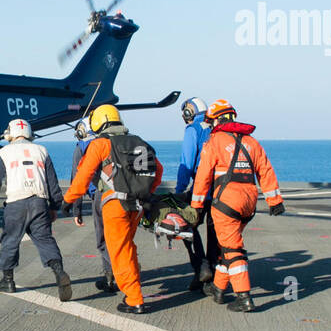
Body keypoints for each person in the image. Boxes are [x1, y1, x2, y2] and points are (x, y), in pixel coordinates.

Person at [63, 104, 163, 314]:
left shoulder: (100, 144)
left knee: (119, 251)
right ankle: (134, 285)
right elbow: (158, 170)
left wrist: (68, 201)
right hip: (138, 205)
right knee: (128, 246)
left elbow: (83, 177)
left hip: (114, 204)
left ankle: (134, 298)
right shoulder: (139, 141)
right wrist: (146, 192)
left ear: (98, 122)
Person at [190, 99, 284, 313]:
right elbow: (266, 171)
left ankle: (244, 297)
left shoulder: (214, 142)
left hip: (226, 202)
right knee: (227, 245)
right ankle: (218, 288)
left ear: (215, 120)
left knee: (233, 249)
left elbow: (203, 176)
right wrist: (275, 201)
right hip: (249, 202)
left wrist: (196, 206)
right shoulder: (252, 142)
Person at [0, 119, 71, 297]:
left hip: (16, 203)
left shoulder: (4, 152)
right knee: (45, 240)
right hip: (39, 202)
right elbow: (52, 183)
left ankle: (8, 281)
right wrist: (54, 207)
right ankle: (59, 272)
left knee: (10, 241)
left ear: (11, 133)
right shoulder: (42, 151)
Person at [175, 96, 220, 291]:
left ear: (188, 113)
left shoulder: (192, 130)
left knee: (188, 226)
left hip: (202, 189)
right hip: (222, 190)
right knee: (214, 233)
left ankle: (201, 267)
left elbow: (186, 162)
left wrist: (179, 190)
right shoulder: (216, 129)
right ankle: (212, 274)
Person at [71, 116, 115, 293]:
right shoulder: (113, 142)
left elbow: (77, 179)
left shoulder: (82, 147)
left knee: (103, 239)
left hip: (100, 195)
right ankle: (121, 272)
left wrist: (76, 210)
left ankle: (111, 275)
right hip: (125, 194)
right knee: (120, 237)